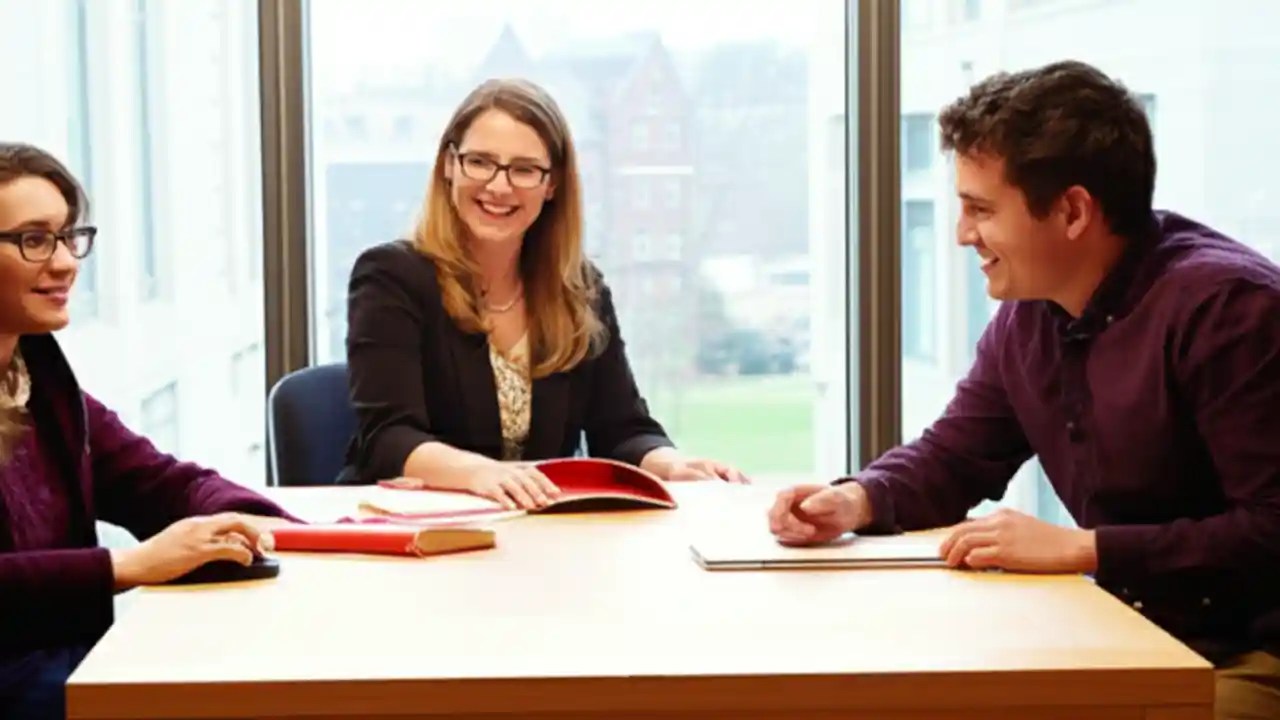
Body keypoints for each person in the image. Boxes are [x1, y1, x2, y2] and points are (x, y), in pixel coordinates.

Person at [768, 61, 1280, 718]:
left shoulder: (1230, 312)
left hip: (1250, 652)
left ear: (1072, 211)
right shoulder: (1030, 313)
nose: (960, 235)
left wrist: (1085, 549)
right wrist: (854, 500)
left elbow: (1271, 528)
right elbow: (956, 454)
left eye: (981, 209)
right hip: (1137, 633)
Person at [341, 78, 745, 508]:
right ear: (449, 165)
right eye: (480, 162)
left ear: (552, 184)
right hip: (417, 533)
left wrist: (672, 465)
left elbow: (622, 428)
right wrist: (483, 474)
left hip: (537, 532)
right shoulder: (391, 276)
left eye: (524, 169)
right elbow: (388, 438)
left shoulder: (580, 290)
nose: (499, 186)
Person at [0, 142, 297, 719]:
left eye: (67, 236)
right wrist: (126, 567)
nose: (65, 263)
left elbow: (156, 481)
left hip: (74, 670)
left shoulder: (37, 375)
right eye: (34, 240)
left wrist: (251, 519)